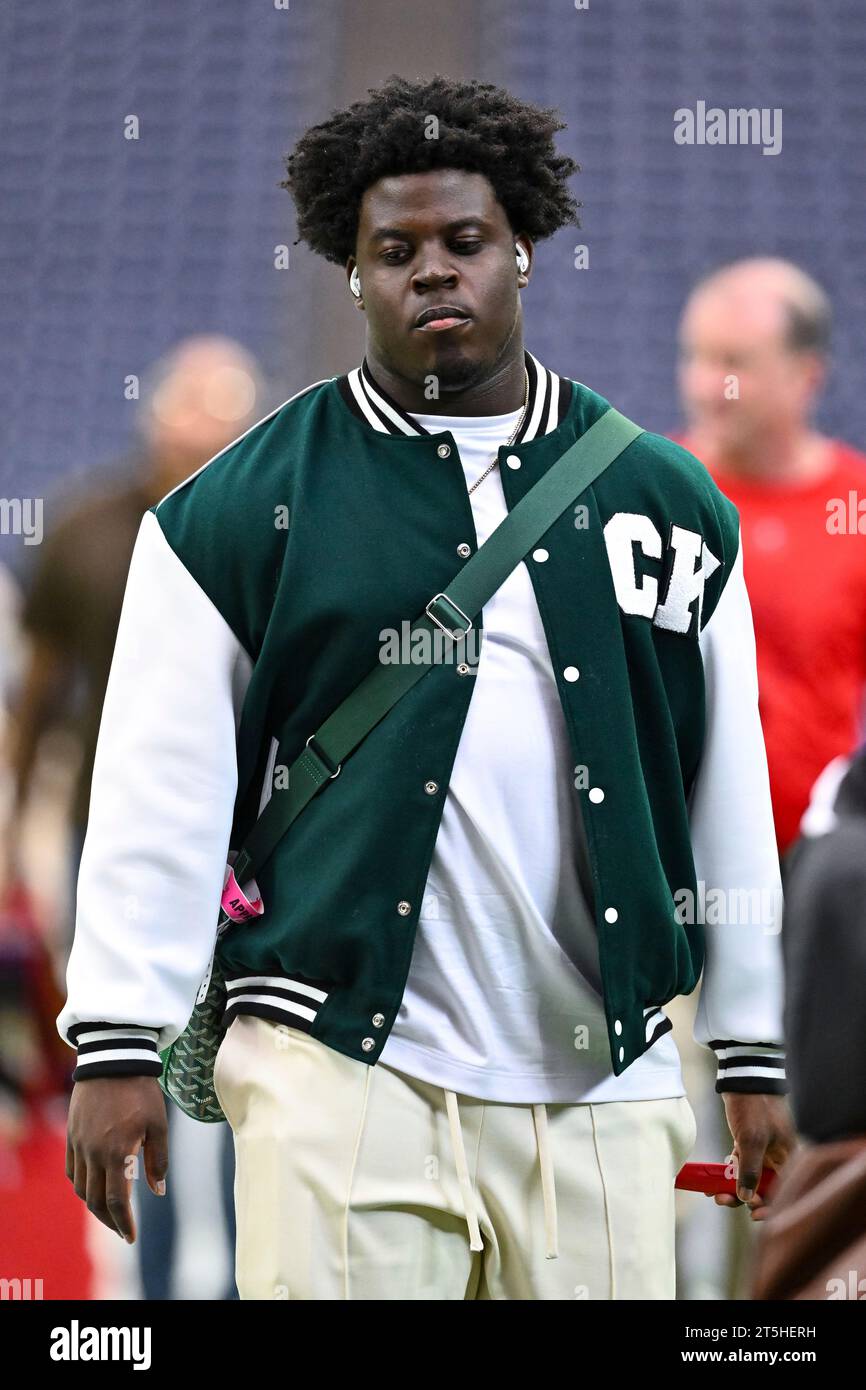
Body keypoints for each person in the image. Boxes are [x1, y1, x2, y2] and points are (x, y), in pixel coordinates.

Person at [58, 74, 794, 1301]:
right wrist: (114, 1039)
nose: (433, 271)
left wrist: (752, 1045)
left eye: (465, 241)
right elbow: (158, 784)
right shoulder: (231, 511)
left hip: (602, 1076)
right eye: (392, 249)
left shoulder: (667, 500)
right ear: (351, 275)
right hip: (335, 1065)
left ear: (522, 251)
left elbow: (725, 784)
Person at [12, 334, 265, 1299]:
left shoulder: (278, 526)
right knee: (132, 1060)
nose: (199, 449)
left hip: (256, 847)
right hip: (113, 835)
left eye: (222, 432)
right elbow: (37, 699)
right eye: (186, 427)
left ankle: (252, 1276)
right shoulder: (85, 528)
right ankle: (151, 1289)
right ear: (152, 426)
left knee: (251, 1071)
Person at [675, 258, 866, 859]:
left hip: (809, 866)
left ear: (804, 375)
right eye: (696, 357)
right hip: (673, 862)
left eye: (734, 363)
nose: (707, 384)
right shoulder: (649, 496)